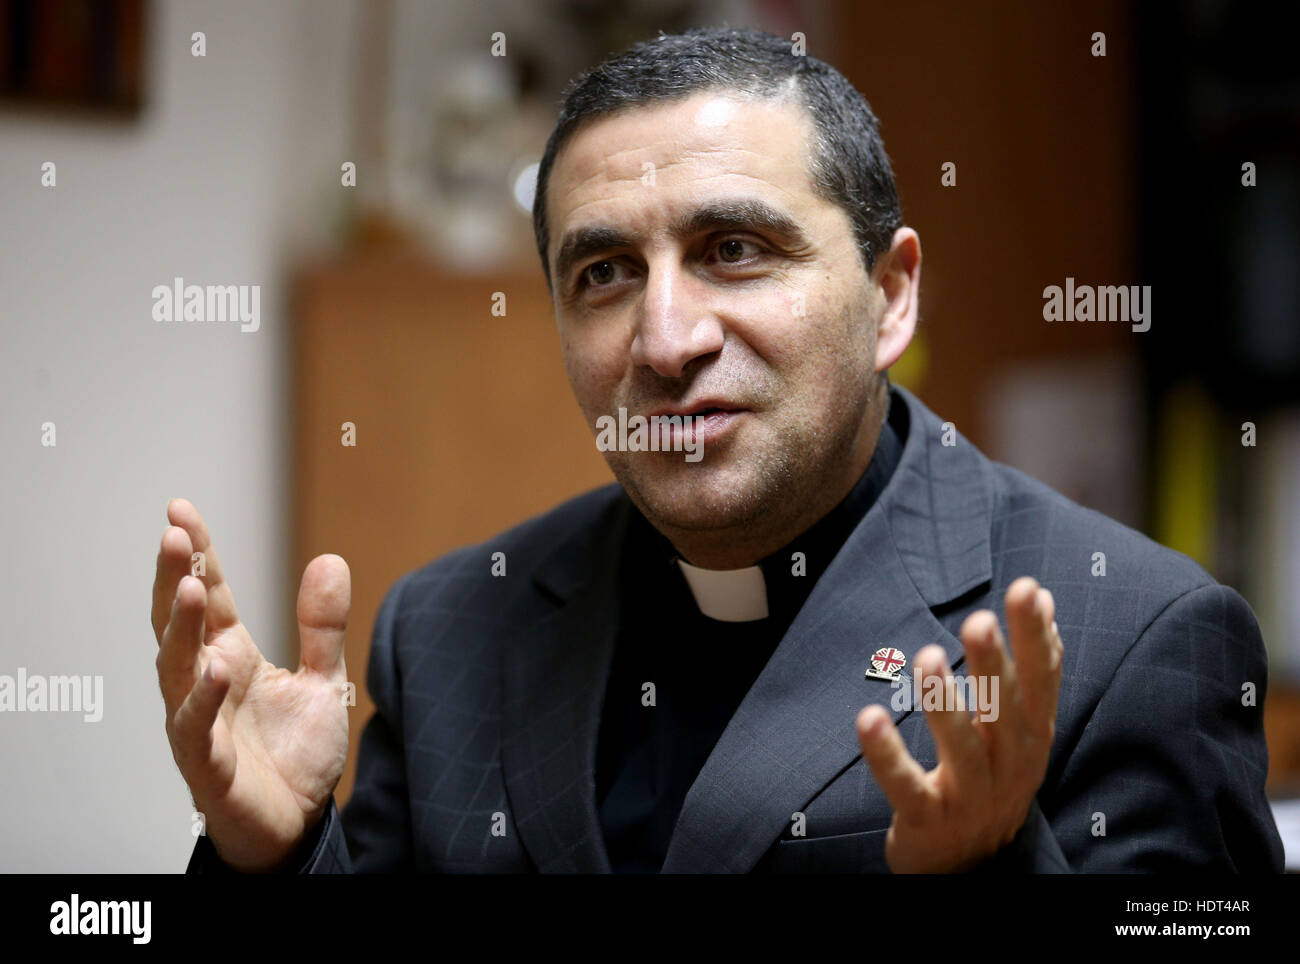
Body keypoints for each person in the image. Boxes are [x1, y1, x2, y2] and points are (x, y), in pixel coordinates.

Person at [155, 27, 1283, 873]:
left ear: (890, 298)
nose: (664, 339)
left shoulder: (1133, 639)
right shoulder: (447, 633)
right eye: (602, 275)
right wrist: (277, 856)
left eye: (733, 250)